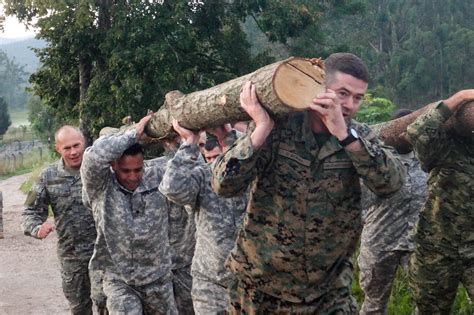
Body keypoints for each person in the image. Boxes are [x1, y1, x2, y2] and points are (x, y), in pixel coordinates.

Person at [211, 52, 406, 313]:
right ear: (320, 87)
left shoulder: (359, 137)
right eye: (343, 93)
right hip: (261, 287)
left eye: (357, 97)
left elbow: (392, 184)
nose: (349, 105)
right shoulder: (278, 128)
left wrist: (345, 137)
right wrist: (260, 129)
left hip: (327, 290)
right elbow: (223, 185)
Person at [81, 114, 177, 314]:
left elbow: (183, 161)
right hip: (120, 280)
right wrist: (132, 135)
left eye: (138, 169)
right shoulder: (101, 186)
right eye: (126, 171)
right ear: (113, 165)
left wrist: (174, 141)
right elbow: (92, 157)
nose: (133, 177)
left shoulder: (157, 176)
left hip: (158, 279)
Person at [160, 122, 248, 314]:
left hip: (250, 283)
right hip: (210, 284)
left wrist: (228, 136)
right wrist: (190, 142)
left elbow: (249, 152)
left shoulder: (252, 176)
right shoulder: (204, 175)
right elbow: (171, 188)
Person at [406, 90, 474, 314]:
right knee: (430, 309)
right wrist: (458, 99)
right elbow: (417, 131)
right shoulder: (447, 149)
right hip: (437, 246)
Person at [357, 109, 428, 314]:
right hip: (380, 242)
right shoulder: (378, 162)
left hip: (417, 242)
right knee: (374, 303)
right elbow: (358, 199)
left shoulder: (426, 159)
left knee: (426, 301)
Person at [21, 125, 97, 315]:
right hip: (72, 258)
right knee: (79, 309)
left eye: (76, 145)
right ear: (58, 149)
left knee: (110, 305)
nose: (73, 152)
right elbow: (29, 210)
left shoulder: (99, 168)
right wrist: (36, 227)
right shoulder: (48, 177)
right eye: (67, 148)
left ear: (84, 143)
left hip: (105, 255)